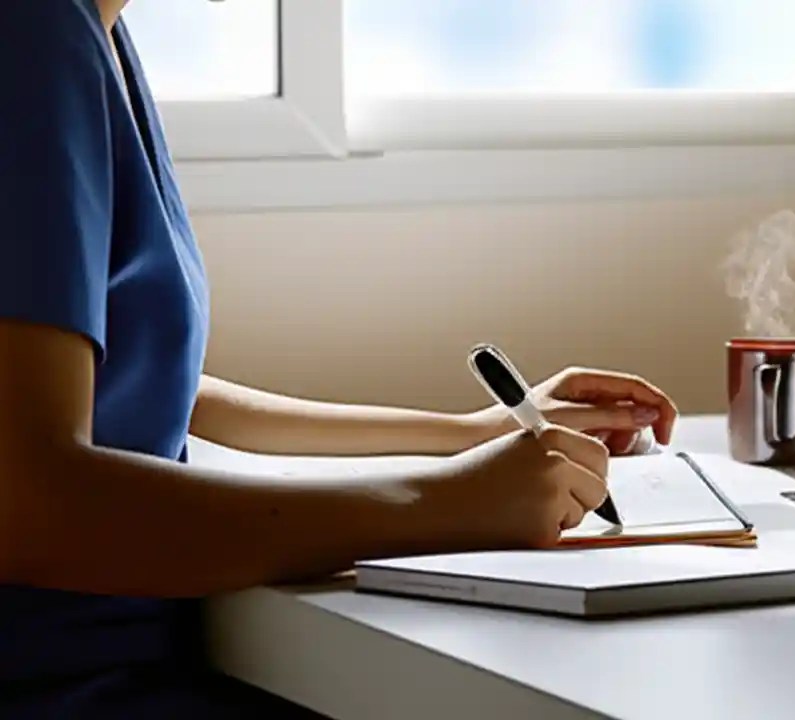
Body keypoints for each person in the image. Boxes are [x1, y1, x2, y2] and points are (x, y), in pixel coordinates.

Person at [0, 1, 678, 716]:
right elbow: (27, 501)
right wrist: (440, 504)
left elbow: (129, 382)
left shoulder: (90, 30)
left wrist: (468, 436)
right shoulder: (31, 34)